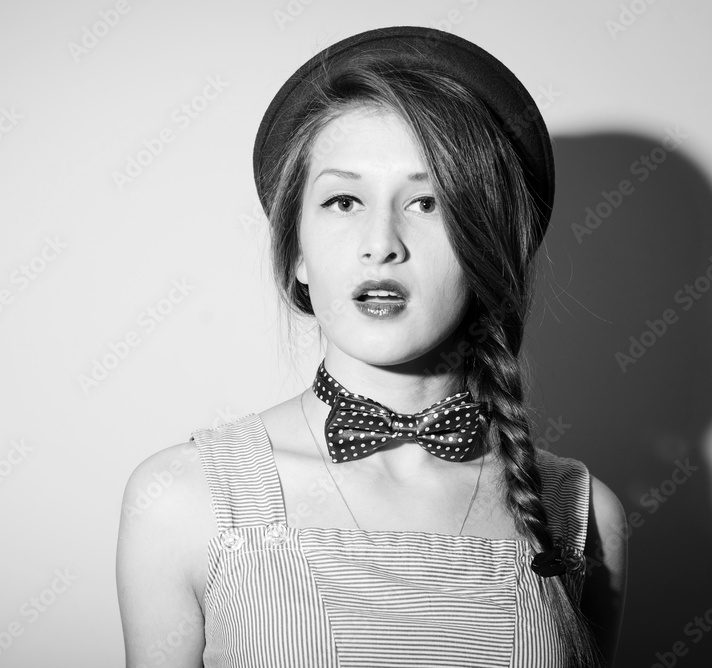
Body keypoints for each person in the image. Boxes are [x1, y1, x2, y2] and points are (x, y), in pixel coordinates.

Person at [116, 26, 627, 667]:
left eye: (427, 201)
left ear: (488, 249)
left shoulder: (582, 515)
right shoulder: (180, 498)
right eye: (343, 200)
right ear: (296, 251)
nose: (380, 242)